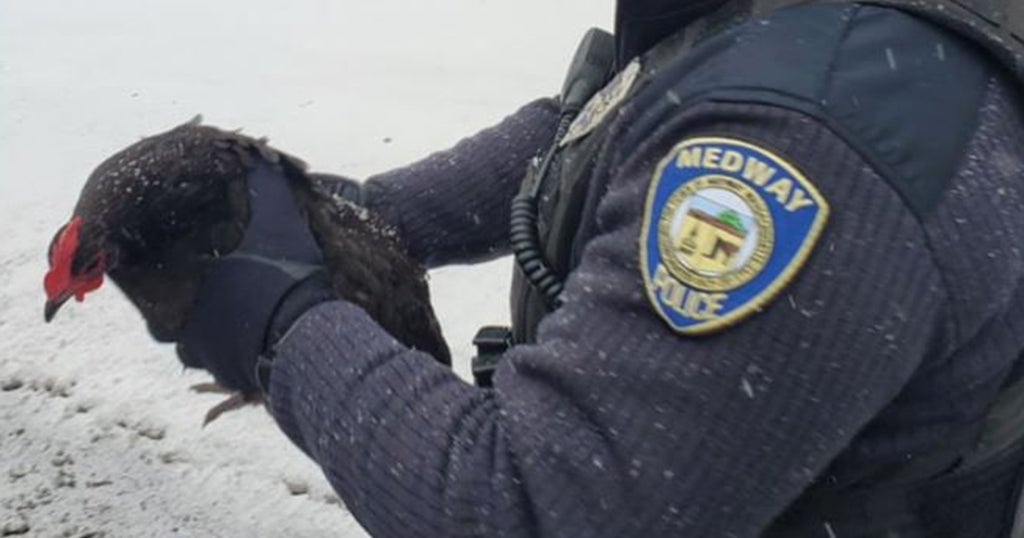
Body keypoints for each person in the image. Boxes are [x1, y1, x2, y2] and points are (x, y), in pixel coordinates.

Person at [141, 0, 1024, 536]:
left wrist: (289, 326)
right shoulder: (801, 36)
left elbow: (532, 511)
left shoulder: (805, 134)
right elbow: (606, 122)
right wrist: (353, 223)